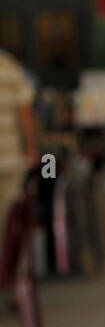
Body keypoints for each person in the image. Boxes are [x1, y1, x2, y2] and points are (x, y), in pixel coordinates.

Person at [0, 48, 39, 219]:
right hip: (9, 159)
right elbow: (25, 111)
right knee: (7, 218)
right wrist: (31, 148)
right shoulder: (8, 66)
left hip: (10, 160)